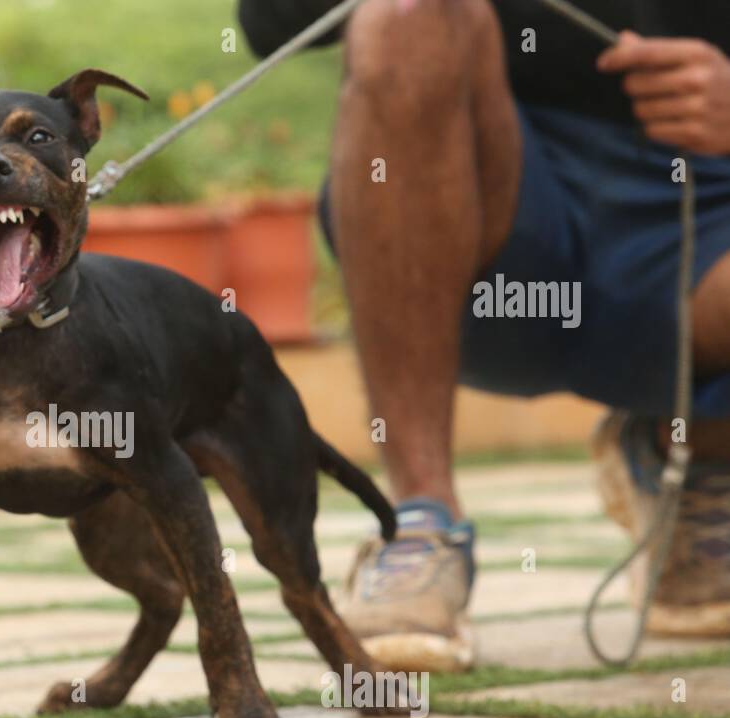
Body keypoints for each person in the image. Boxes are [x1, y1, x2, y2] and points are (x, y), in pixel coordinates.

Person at [237, 0, 730, 671]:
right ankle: (419, 522)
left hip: (710, 199)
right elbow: (272, 20)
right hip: (492, 196)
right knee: (405, 16)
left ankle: (701, 447)